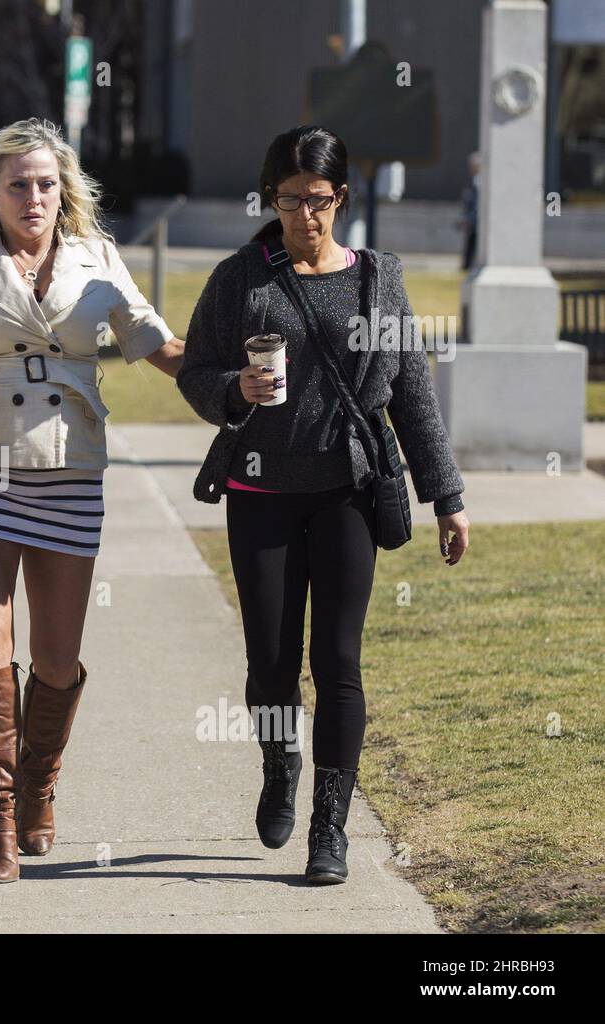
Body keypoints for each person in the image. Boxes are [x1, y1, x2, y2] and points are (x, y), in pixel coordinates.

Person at [177, 124, 471, 886]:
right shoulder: (244, 278)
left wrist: (447, 496)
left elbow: (411, 390)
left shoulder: (378, 279)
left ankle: (329, 828)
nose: (303, 216)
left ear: (340, 198)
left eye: (316, 200)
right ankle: (280, 762)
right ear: (270, 198)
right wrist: (228, 391)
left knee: (338, 662)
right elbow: (194, 367)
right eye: (287, 200)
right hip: (261, 492)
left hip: (346, 492)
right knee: (271, 667)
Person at [0, 118, 185, 884]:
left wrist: (231, 382)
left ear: (64, 194)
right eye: (18, 184)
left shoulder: (97, 261)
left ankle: (38, 788)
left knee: (57, 660)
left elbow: (158, 347)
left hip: (72, 472)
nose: (33, 196)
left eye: (45, 184)